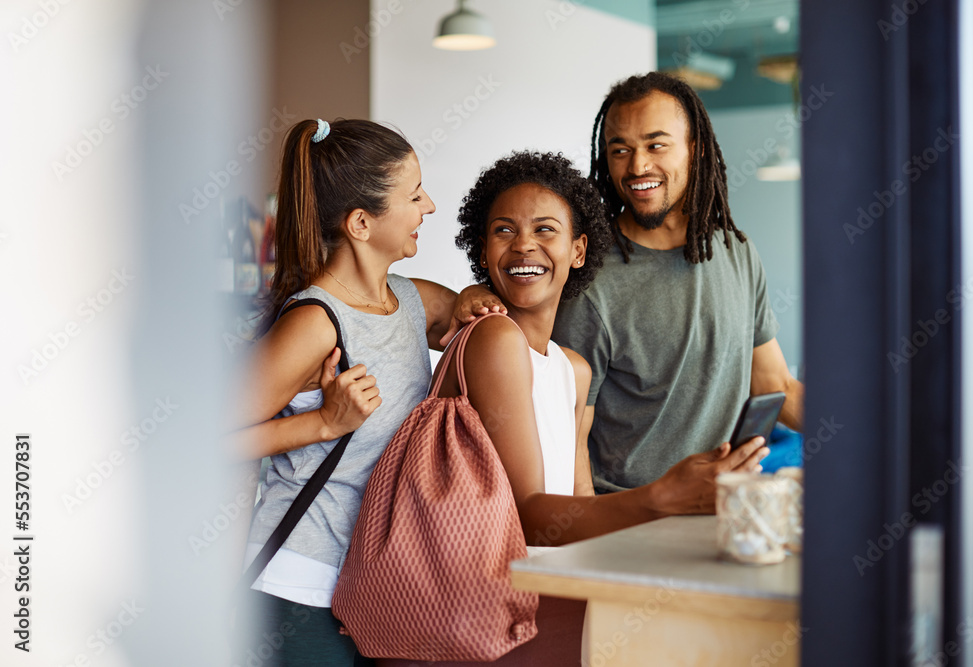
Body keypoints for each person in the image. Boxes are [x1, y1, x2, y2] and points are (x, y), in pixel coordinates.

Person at [383, 151, 768, 667]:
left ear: (579, 249)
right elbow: (530, 517)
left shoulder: (572, 369)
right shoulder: (495, 339)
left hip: (534, 600)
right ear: (481, 248)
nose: (524, 244)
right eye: (503, 230)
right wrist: (660, 499)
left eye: (546, 229)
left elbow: (577, 506)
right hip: (478, 617)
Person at [229, 118, 504, 666]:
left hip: (373, 587)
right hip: (300, 587)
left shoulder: (410, 300)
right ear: (360, 222)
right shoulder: (315, 322)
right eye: (414, 194)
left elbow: (470, 310)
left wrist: (476, 295)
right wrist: (324, 422)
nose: (428, 206)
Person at [551, 71, 805, 504]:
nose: (637, 166)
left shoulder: (736, 251)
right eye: (620, 150)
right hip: (633, 521)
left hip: (724, 508)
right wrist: (588, 536)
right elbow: (572, 433)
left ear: (695, 148)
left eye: (656, 145)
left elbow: (774, 384)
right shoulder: (589, 280)